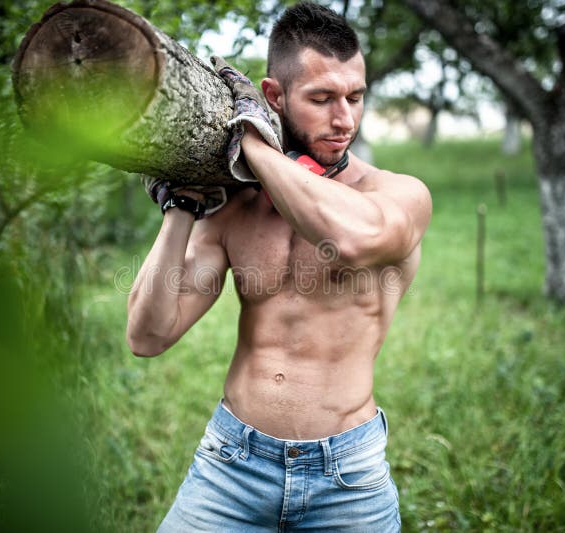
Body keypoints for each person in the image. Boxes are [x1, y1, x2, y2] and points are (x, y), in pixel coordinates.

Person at [126, 2, 432, 531]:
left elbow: (349, 240)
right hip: (232, 466)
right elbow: (147, 335)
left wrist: (251, 143)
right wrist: (182, 206)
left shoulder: (396, 194)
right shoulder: (237, 209)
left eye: (355, 97)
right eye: (322, 99)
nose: (345, 120)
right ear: (274, 96)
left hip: (348, 478)